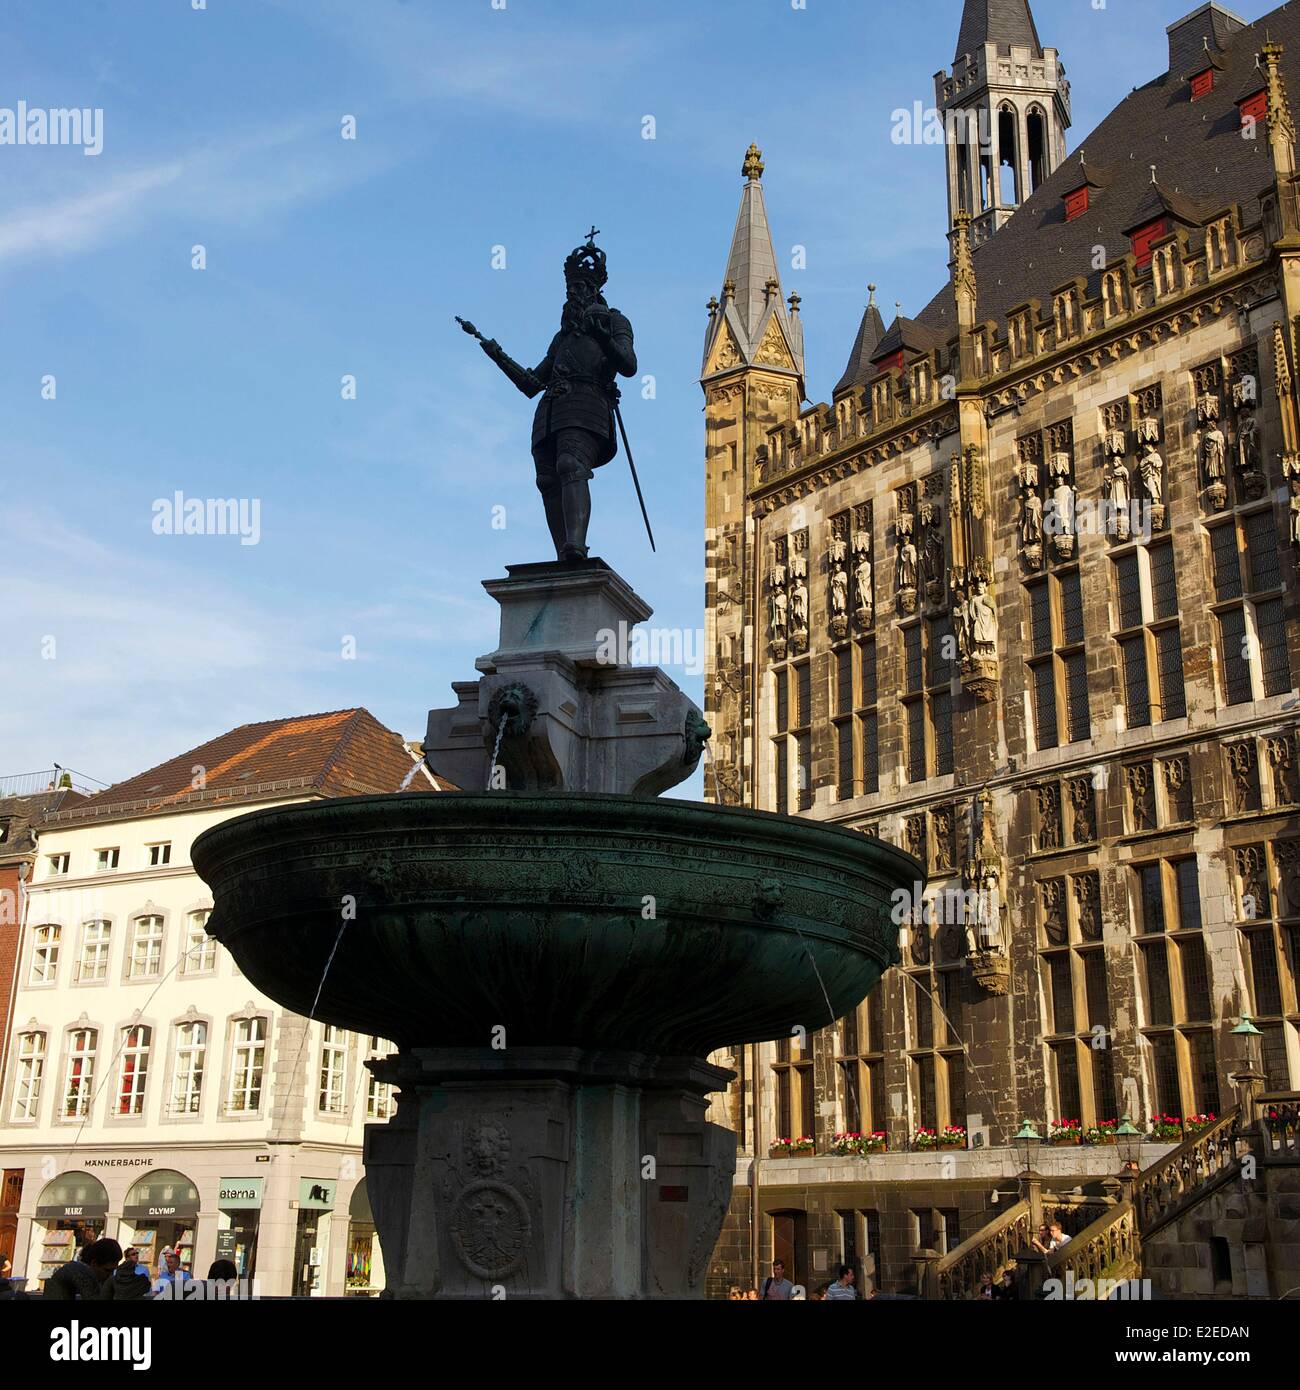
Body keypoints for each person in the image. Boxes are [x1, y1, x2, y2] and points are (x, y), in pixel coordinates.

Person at [44, 1237, 121, 1299]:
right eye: (107, 1270)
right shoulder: (82, 1272)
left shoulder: (81, 1269)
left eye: (113, 1271)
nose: (110, 1275)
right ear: (94, 1263)